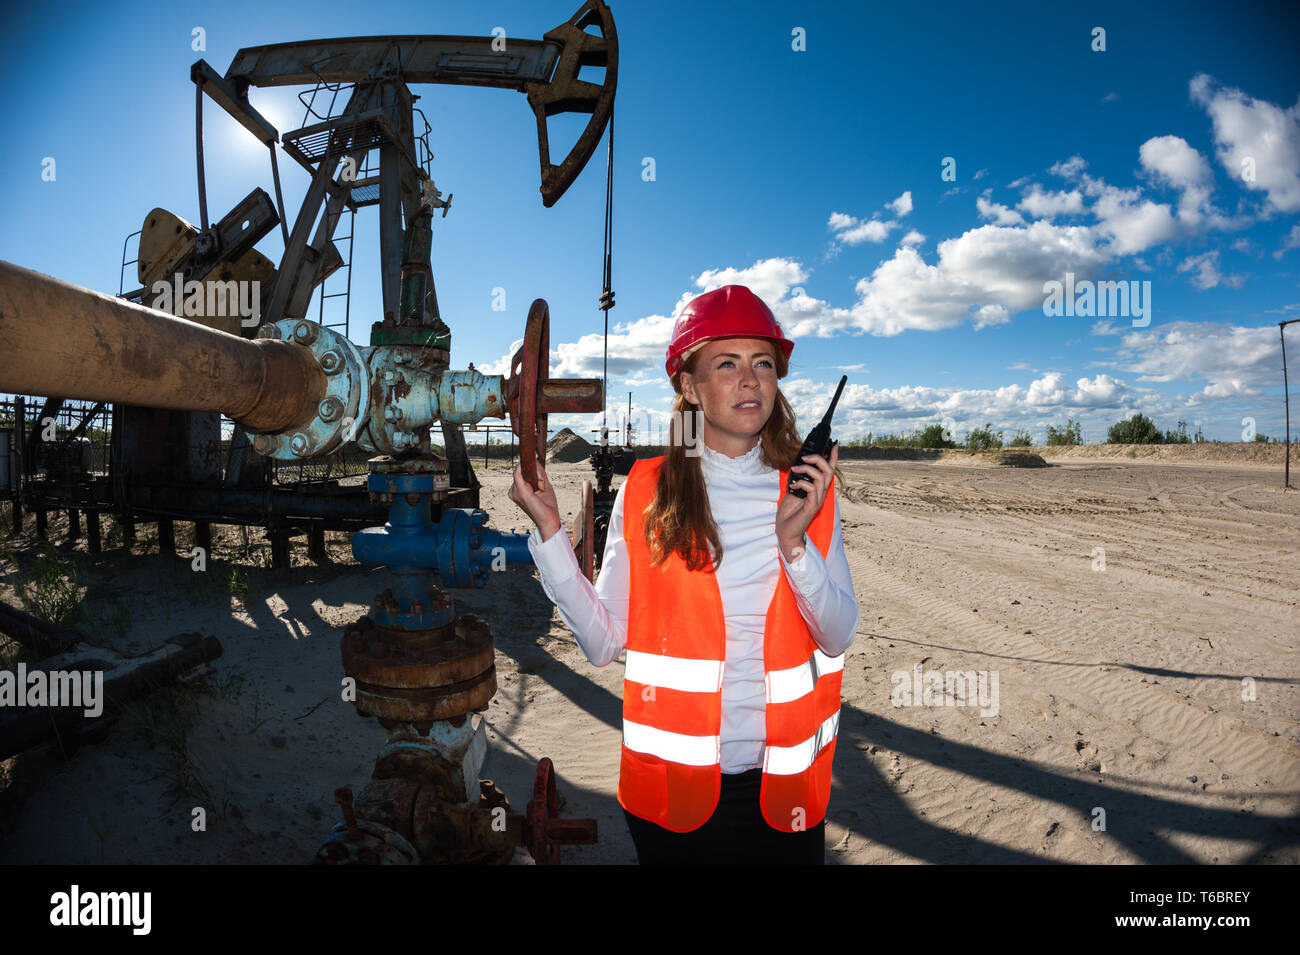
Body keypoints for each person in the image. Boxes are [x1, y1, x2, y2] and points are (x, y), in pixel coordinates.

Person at [509, 284, 859, 864]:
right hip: (673, 800)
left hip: (785, 792)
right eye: (727, 363)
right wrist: (550, 534)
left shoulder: (806, 492)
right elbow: (603, 643)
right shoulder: (647, 490)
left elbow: (838, 633)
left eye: (763, 364)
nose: (750, 380)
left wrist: (795, 545)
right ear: (690, 387)